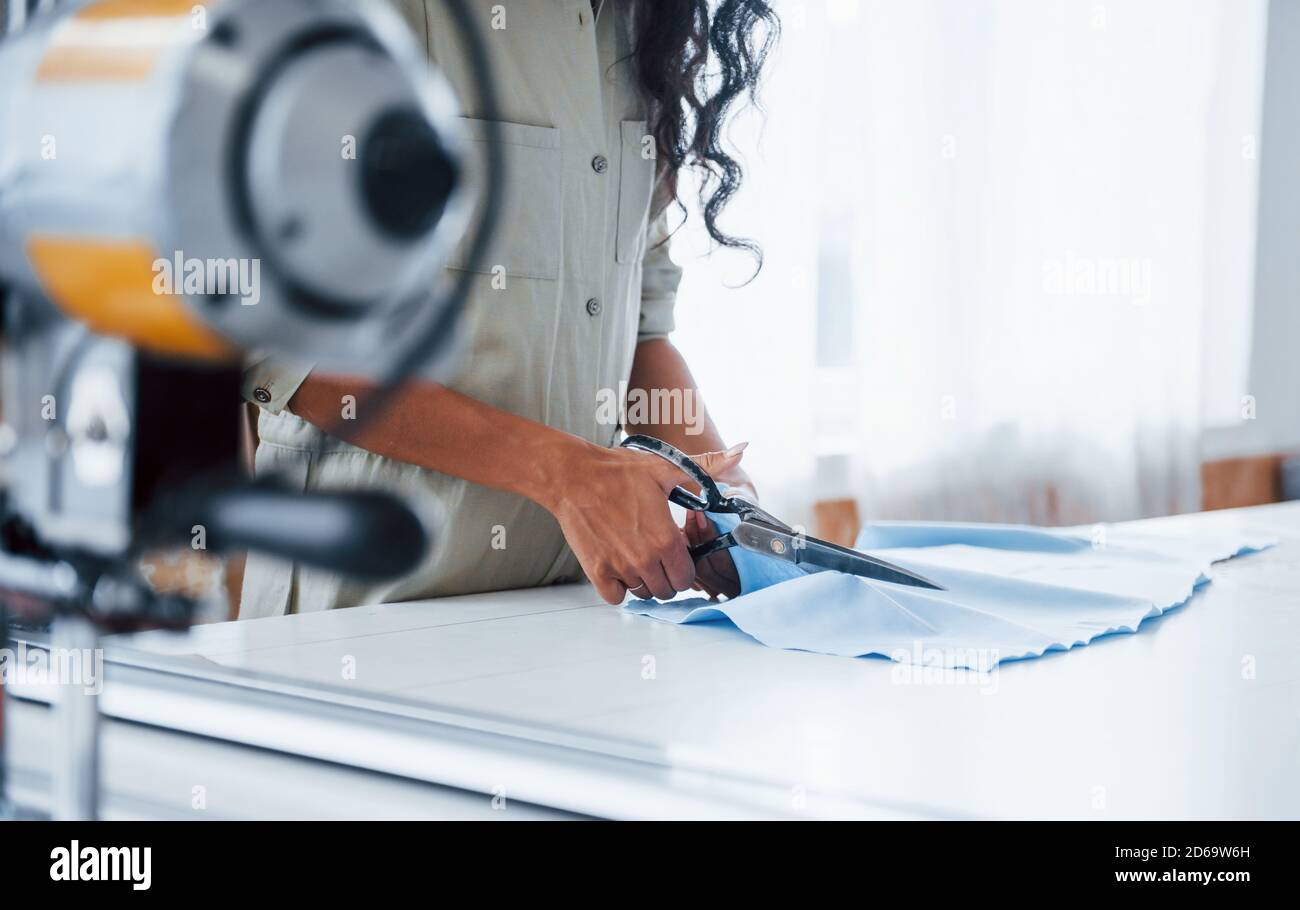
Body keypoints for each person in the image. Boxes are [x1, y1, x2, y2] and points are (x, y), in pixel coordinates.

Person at [239, 0, 778, 616]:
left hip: (568, 614)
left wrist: (722, 499)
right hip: (362, 615)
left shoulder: (642, 26)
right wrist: (565, 475)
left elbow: (642, 336)